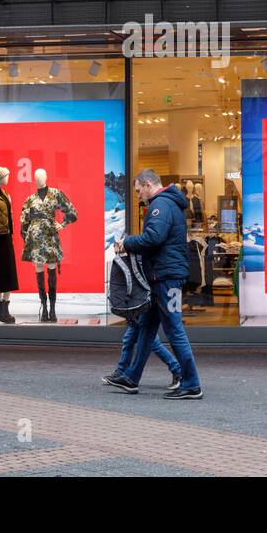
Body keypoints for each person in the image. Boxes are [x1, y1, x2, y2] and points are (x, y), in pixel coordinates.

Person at [104, 170, 203, 399]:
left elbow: (153, 238)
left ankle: (191, 383)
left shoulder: (161, 206)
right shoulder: (169, 204)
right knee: (146, 329)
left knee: (174, 330)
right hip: (164, 277)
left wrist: (127, 243)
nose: (139, 195)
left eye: (139, 190)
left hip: (166, 279)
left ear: (148, 185)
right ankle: (131, 378)